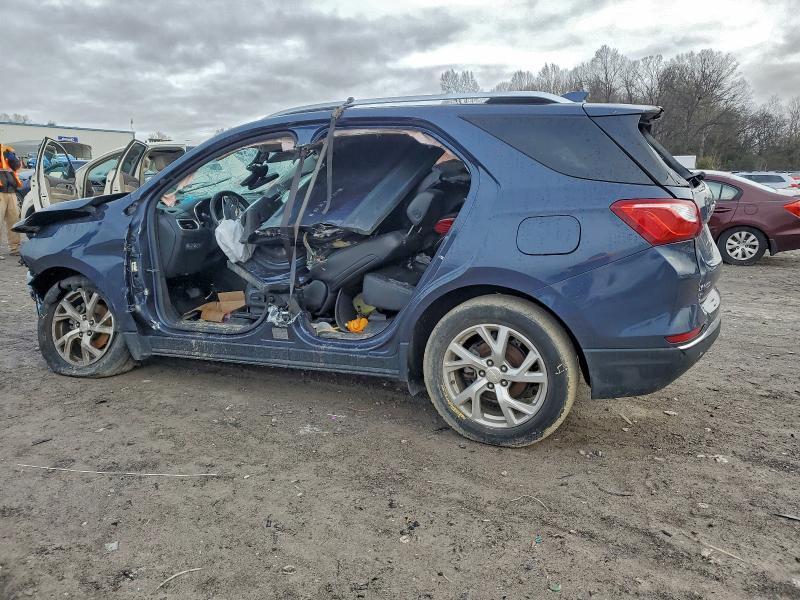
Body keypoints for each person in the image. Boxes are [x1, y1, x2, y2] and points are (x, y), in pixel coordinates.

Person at [0, 143, 23, 257]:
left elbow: (17, 166)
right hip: (0, 192)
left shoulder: (7, 152)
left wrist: (11, 156)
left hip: (11, 192)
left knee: (13, 221)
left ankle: (14, 248)